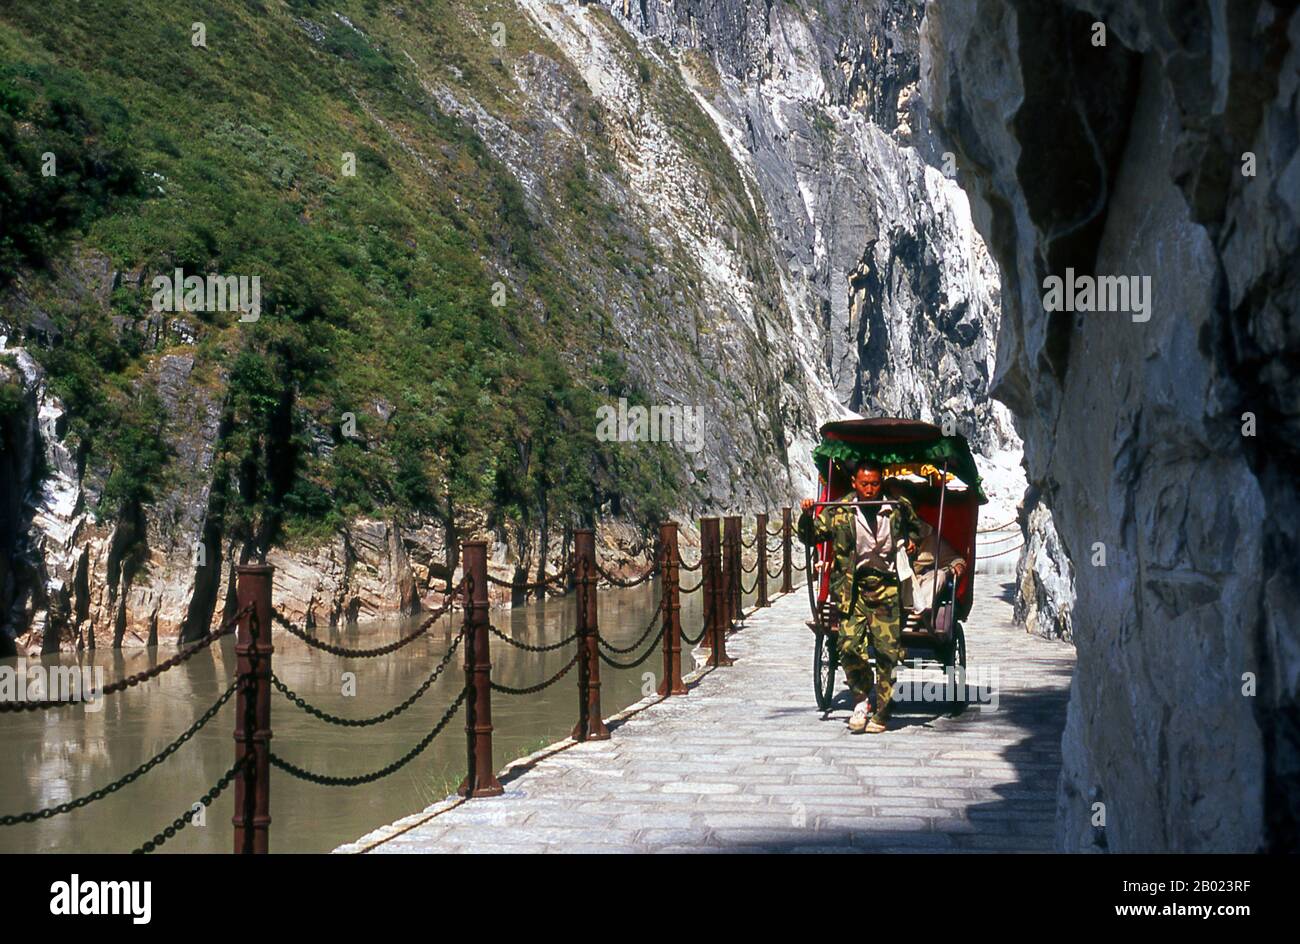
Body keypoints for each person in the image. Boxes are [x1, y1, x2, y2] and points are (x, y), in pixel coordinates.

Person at [798, 459, 927, 734]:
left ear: (881, 483)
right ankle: (861, 699)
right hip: (851, 588)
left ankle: (882, 709)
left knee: (886, 651)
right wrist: (806, 516)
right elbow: (812, 537)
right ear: (855, 483)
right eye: (864, 484)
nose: (869, 489)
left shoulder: (897, 507)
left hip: (886, 587)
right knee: (847, 646)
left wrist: (912, 543)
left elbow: (917, 528)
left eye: (875, 484)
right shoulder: (839, 510)